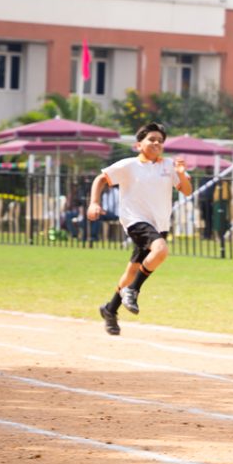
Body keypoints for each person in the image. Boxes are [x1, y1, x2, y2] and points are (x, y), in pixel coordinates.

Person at [88, 122, 193, 335]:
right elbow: (101, 179)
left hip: (159, 224)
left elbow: (187, 191)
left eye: (160, 141)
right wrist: (94, 202)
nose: (156, 143)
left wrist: (181, 173)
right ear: (138, 145)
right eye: (151, 139)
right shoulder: (129, 165)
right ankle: (133, 291)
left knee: (132, 270)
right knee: (161, 251)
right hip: (135, 220)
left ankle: (110, 309)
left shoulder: (169, 166)